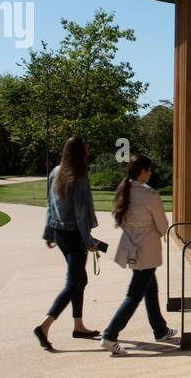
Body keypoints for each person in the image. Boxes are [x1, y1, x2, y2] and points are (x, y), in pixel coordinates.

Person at [99, 154, 177, 354]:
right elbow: (162, 225)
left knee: (150, 288)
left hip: (132, 247)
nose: (150, 174)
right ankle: (110, 335)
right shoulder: (149, 195)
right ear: (143, 171)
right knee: (134, 295)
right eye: (149, 170)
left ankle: (160, 329)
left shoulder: (123, 191)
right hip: (147, 249)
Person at [34, 136, 101, 351]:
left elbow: (49, 204)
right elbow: (81, 216)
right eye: (86, 148)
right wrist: (89, 240)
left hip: (60, 233)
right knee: (74, 282)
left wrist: (48, 233)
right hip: (75, 236)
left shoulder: (55, 172)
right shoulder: (78, 177)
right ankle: (45, 326)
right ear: (80, 152)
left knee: (80, 279)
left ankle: (78, 325)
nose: (88, 151)